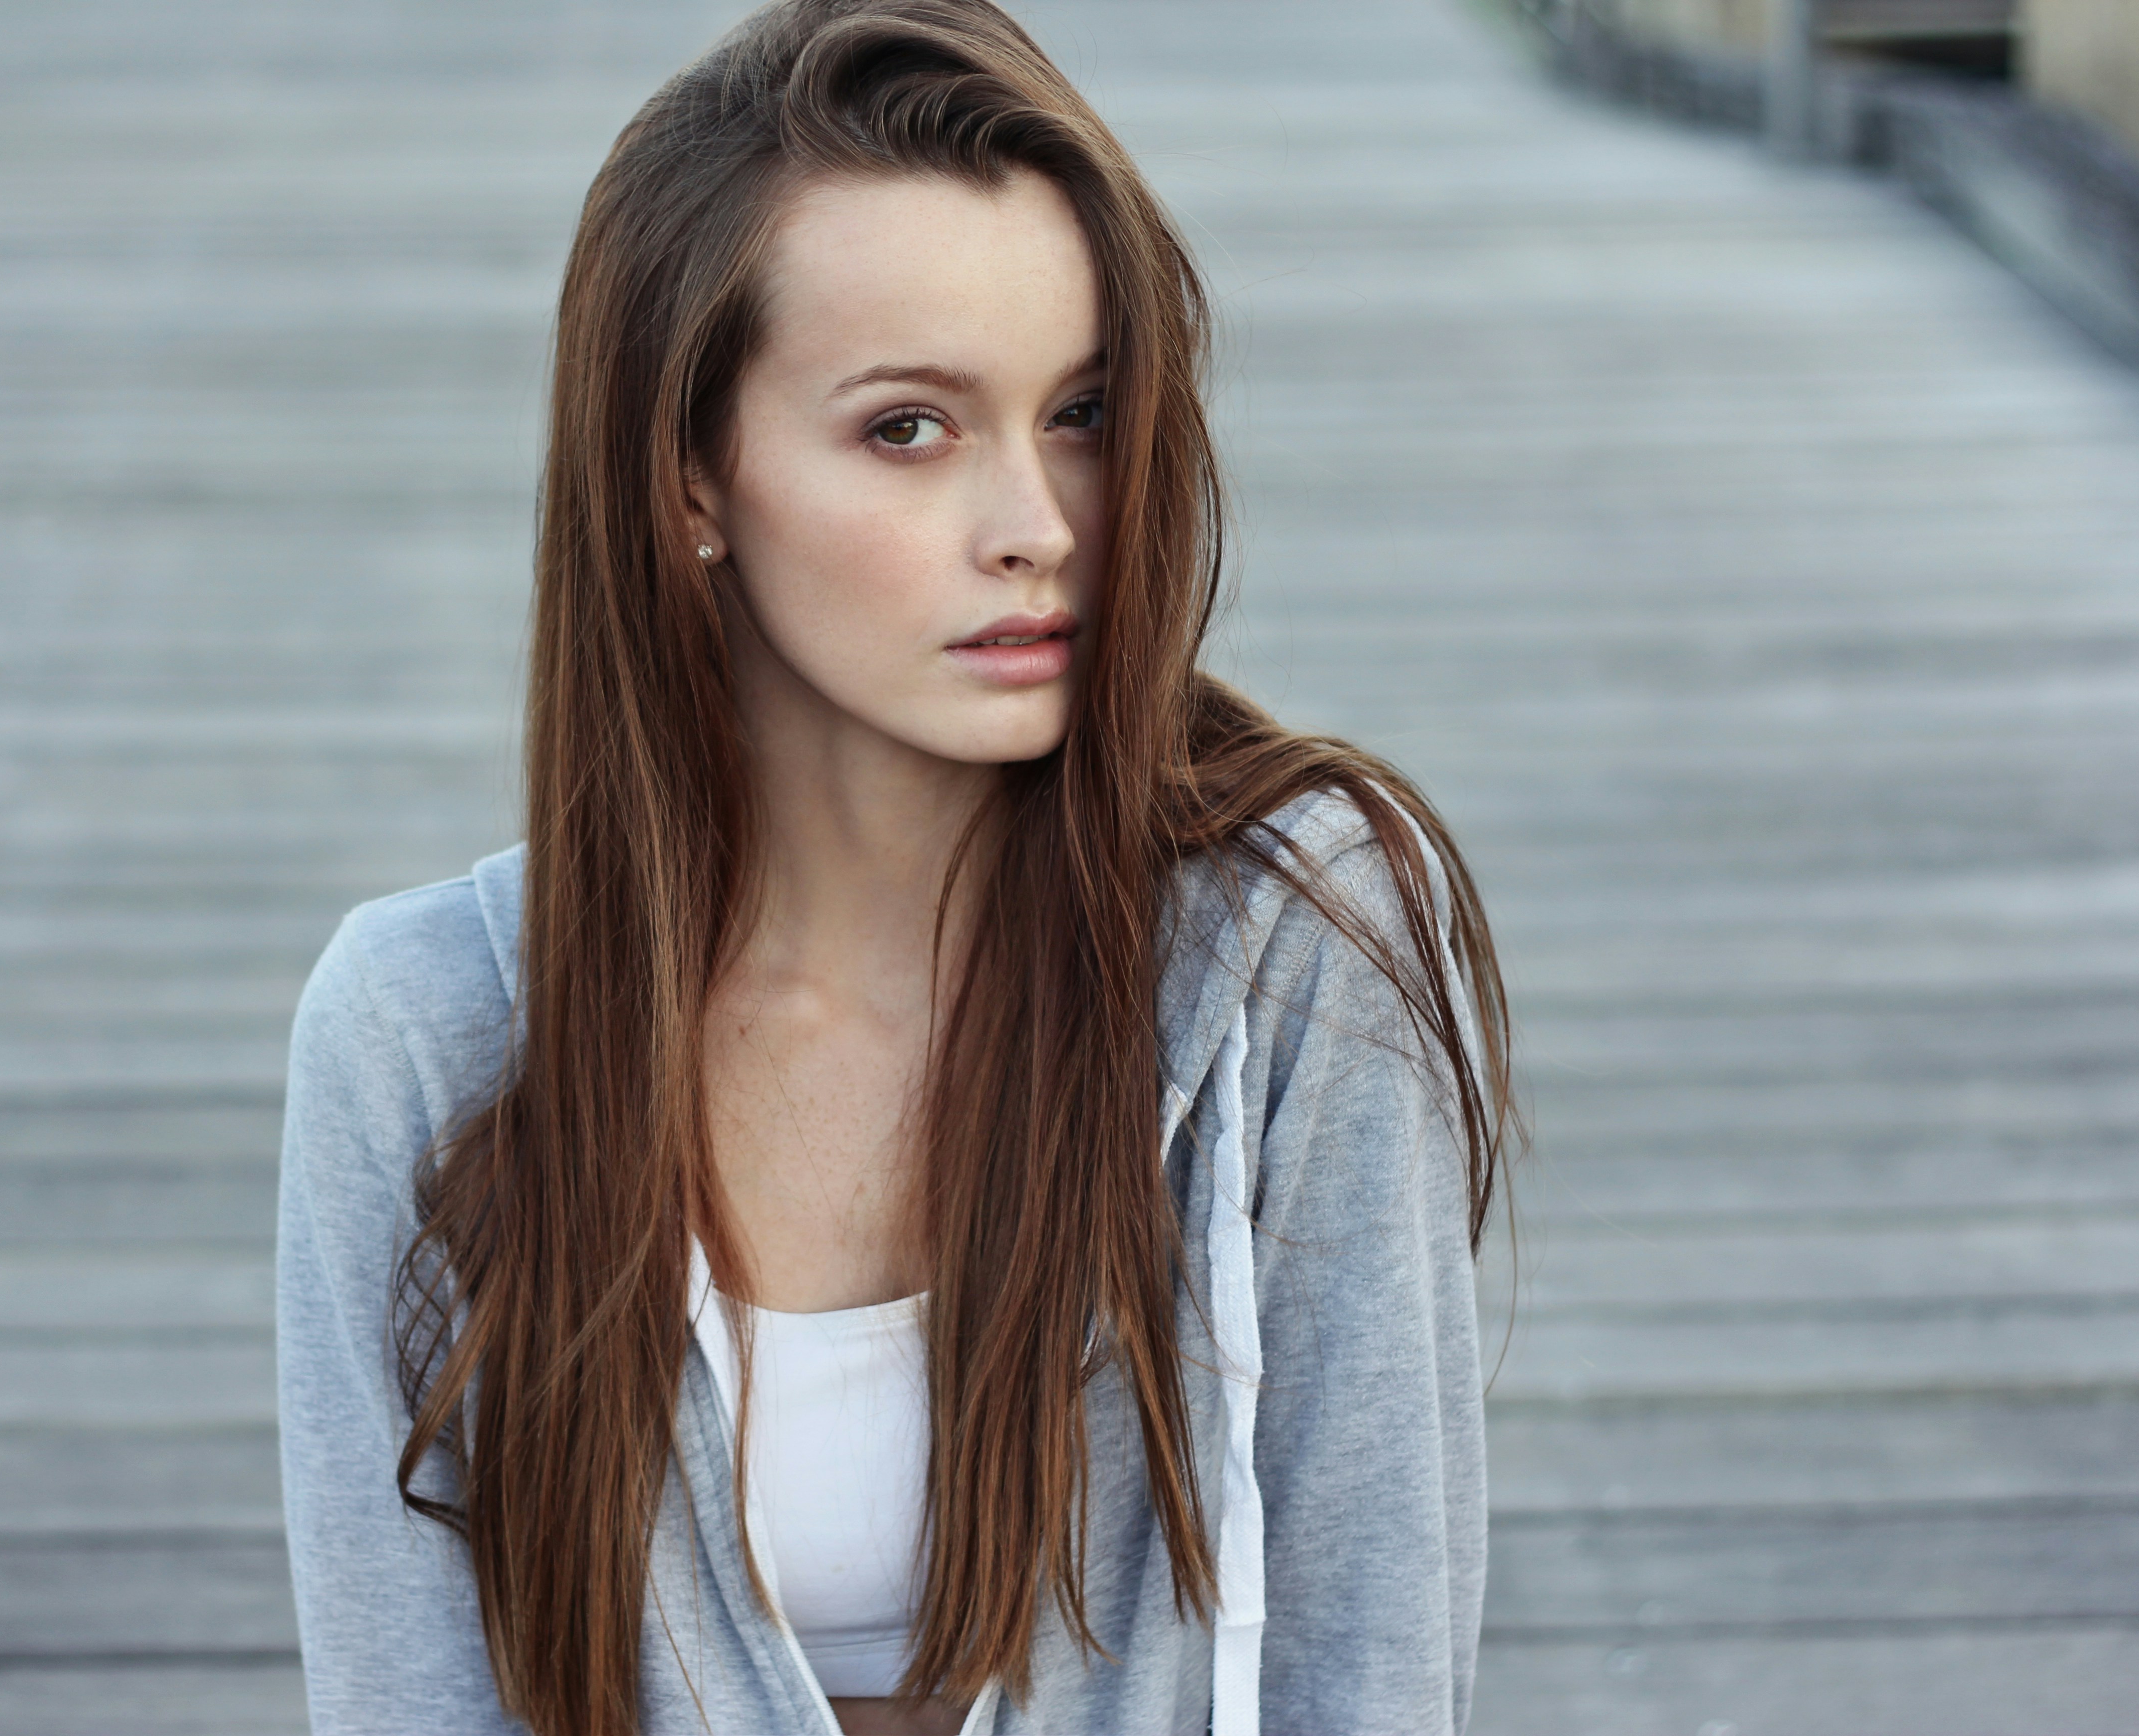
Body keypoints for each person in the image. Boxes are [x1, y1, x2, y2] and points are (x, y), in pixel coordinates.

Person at [275, 3, 1512, 1732]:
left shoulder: (1296, 950)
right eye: (910, 429)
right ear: (691, 475)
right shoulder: (418, 1036)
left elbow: (1372, 1669)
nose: (1045, 525)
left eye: (1079, 410)